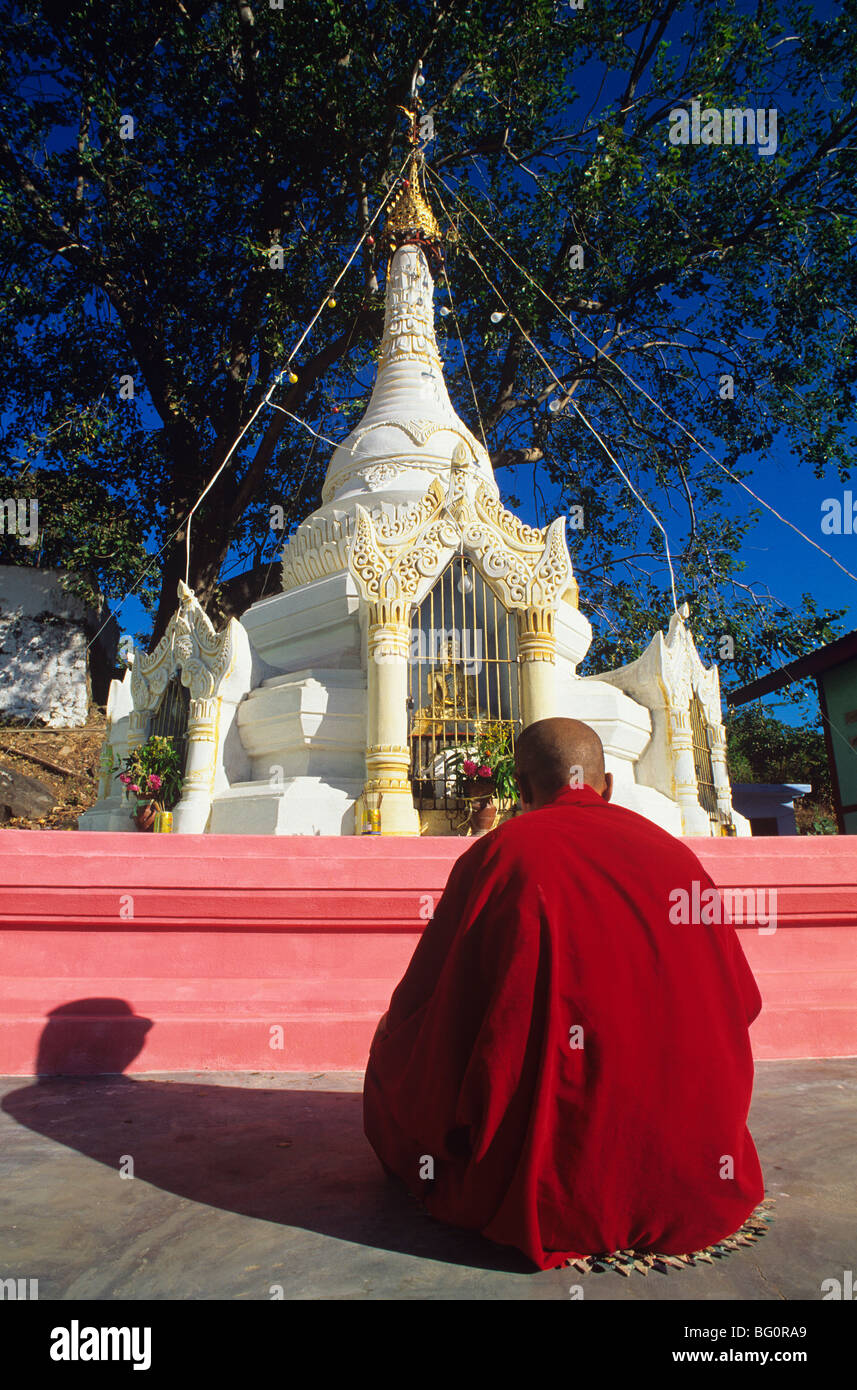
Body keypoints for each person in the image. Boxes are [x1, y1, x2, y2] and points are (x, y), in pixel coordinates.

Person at [363, 717, 764, 1270]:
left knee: (394, 1051)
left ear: (521, 790)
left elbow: (423, 1006)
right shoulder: (678, 857)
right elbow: (743, 1002)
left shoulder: (500, 855)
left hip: (554, 1194)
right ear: (608, 786)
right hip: (697, 1175)